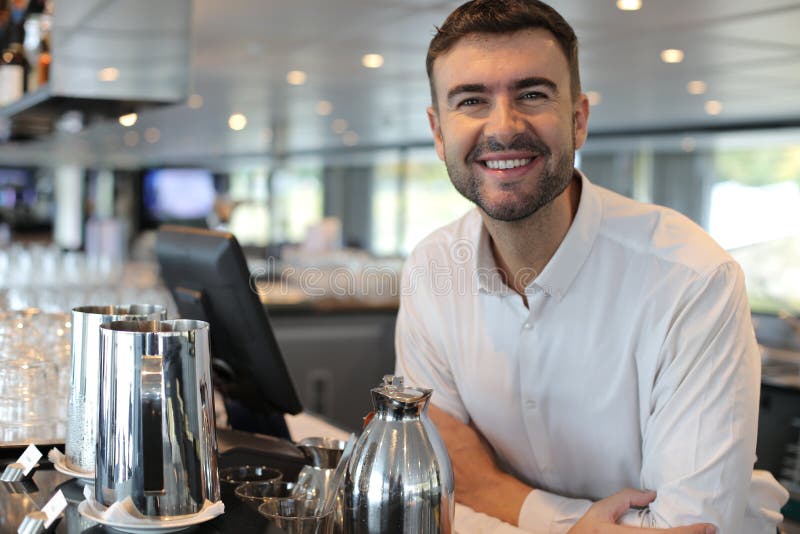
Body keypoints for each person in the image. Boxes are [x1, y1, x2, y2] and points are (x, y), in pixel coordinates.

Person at [394, 1, 789, 532]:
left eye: (532, 94)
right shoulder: (431, 270)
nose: (503, 126)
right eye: (471, 101)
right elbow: (433, 480)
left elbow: (688, 526)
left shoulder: (692, 279)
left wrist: (497, 494)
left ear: (577, 120)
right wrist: (570, 525)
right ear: (439, 132)